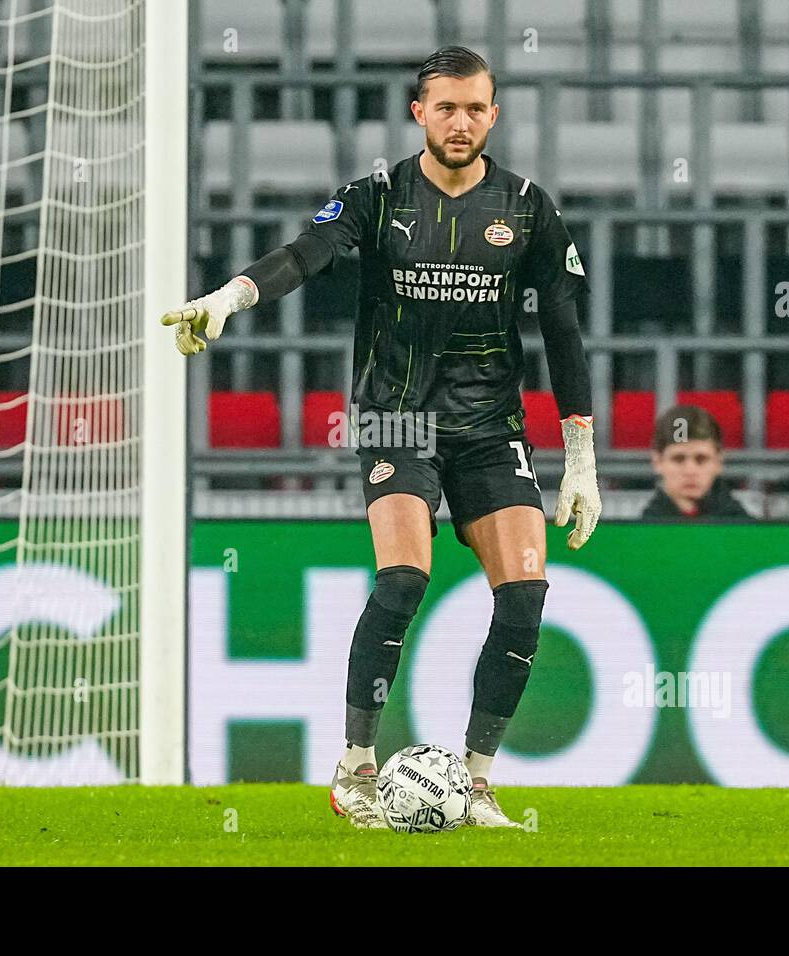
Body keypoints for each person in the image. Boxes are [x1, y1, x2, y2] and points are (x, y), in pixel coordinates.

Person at [163, 46, 601, 828]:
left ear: (493, 115)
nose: (460, 122)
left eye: (475, 108)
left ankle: (475, 782)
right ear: (418, 112)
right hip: (398, 416)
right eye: (445, 108)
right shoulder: (378, 194)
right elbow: (309, 252)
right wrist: (234, 296)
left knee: (527, 596)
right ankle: (356, 768)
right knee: (403, 581)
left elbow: (564, 328)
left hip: (491, 426)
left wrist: (580, 461)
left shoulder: (529, 207)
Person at [642, 404, 753, 518]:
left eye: (701, 459)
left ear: (719, 462)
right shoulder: (642, 533)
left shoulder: (749, 532)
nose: (690, 471)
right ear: (657, 462)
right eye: (678, 459)